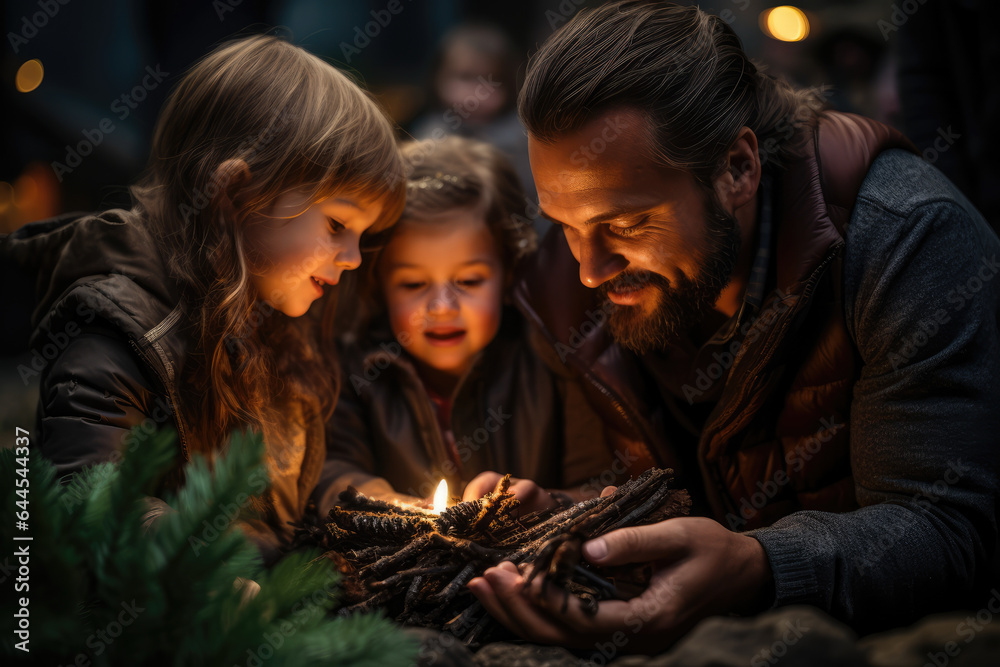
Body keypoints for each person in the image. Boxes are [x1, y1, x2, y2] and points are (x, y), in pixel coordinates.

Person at [467, 0, 1000, 650]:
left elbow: (945, 528)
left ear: (737, 168)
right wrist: (568, 519)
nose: (589, 270)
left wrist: (758, 565)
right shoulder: (562, 287)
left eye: (626, 224)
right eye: (566, 224)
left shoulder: (903, 242)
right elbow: (633, 492)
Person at [2, 35, 405, 560]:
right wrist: (209, 577)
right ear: (235, 194)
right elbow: (91, 502)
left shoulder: (272, 314)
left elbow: (280, 493)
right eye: (337, 224)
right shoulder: (119, 334)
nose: (352, 258)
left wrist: (361, 504)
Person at [317, 136, 617, 515]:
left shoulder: (552, 359)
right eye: (413, 284)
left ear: (508, 274)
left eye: (469, 281)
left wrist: (550, 504)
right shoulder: (355, 367)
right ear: (378, 285)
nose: (442, 308)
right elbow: (331, 473)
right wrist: (393, 508)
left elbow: (604, 483)